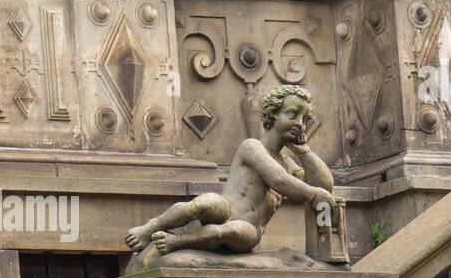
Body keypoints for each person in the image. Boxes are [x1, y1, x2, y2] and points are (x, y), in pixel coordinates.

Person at [126, 83, 335, 257]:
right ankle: (151, 228)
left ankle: (178, 242)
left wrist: (305, 152)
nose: (300, 124)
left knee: (233, 229)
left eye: (304, 119)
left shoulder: (288, 164)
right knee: (206, 202)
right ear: (273, 115)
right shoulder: (252, 147)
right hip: (226, 208)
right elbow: (279, 181)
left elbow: (324, 186)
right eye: (292, 114)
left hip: (249, 230)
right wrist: (313, 194)